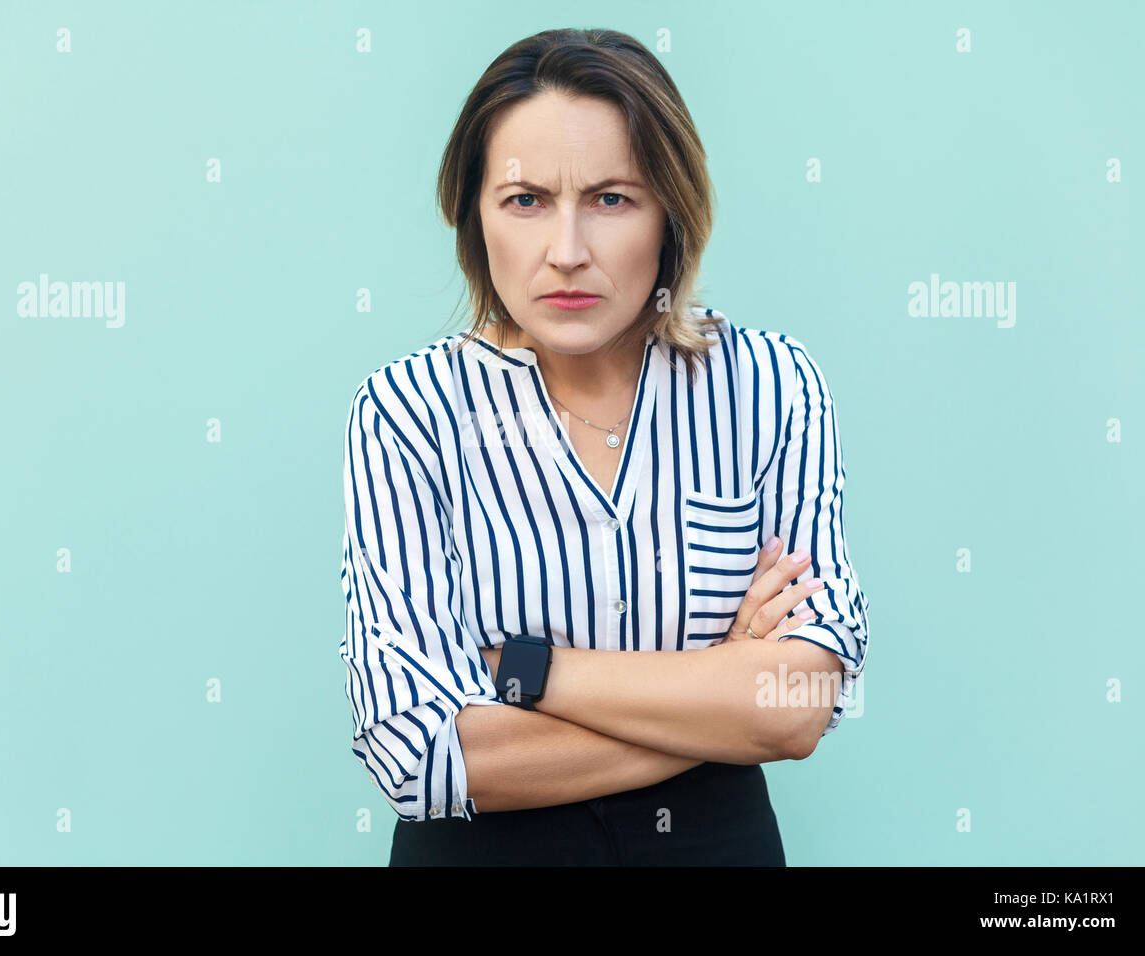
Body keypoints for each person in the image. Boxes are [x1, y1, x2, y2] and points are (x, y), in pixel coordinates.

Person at [338, 27, 871, 866]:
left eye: (612, 198)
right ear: (475, 219)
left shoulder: (770, 386)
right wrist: (724, 688)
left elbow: (802, 699)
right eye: (525, 201)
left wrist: (532, 671)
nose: (567, 253)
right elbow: (420, 756)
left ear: (671, 214)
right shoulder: (411, 412)